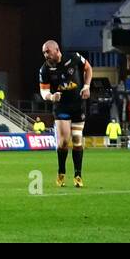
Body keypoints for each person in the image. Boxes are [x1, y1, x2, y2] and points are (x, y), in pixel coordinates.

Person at [39, 40, 92, 187]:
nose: (46, 55)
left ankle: (78, 175)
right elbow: (43, 91)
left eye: (47, 51)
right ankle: (61, 172)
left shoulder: (74, 58)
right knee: (63, 142)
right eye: (44, 53)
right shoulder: (45, 69)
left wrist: (87, 86)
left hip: (78, 105)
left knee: (77, 140)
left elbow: (88, 68)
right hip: (61, 107)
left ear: (57, 50)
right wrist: (51, 97)